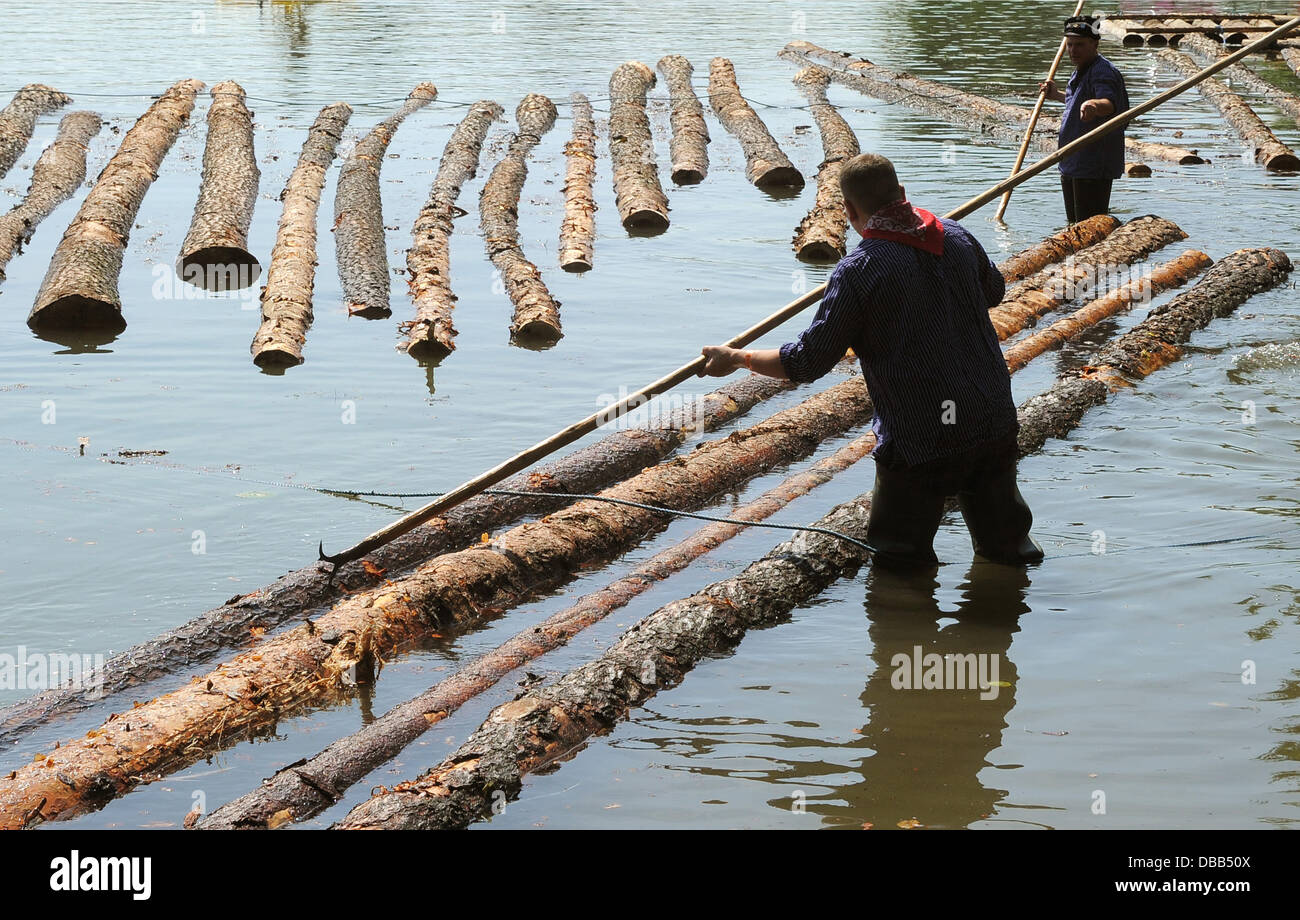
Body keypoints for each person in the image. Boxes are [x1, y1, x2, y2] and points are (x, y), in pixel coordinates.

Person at [698, 153, 1044, 569]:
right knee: (1009, 547)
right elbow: (994, 292)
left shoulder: (859, 271)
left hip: (920, 436)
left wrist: (738, 358)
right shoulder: (956, 237)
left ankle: (910, 630)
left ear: (848, 210)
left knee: (900, 563)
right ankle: (1007, 614)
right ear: (901, 193)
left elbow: (807, 362)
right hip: (989, 417)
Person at [1040, 14, 1130, 224]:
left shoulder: (1102, 71)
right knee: (1075, 226)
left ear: (1094, 44)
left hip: (1093, 161)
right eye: (1070, 45)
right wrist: (1056, 95)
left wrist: (1093, 106)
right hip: (1073, 158)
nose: (1073, 51)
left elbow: (1109, 104)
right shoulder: (1081, 70)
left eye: (1079, 45)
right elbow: (1076, 101)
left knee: (1089, 226)